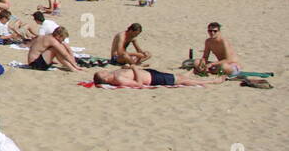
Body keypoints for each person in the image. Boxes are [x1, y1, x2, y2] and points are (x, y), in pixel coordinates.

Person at [92, 66, 224, 88]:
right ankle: (212, 81)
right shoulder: (118, 79)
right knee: (182, 81)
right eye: (102, 73)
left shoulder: (115, 74)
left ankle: (191, 72)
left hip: (149, 73)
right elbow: (138, 84)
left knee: (177, 76)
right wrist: (134, 68)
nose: (104, 71)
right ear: (104, 79)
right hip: (152, 79)